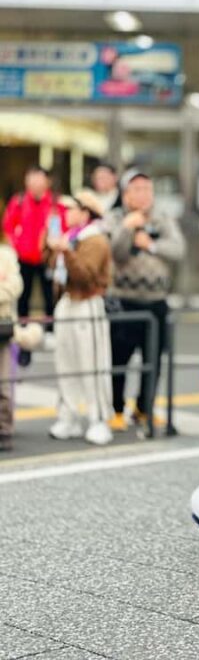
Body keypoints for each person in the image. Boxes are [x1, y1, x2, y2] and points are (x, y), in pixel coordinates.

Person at [103, 169, 186, 431]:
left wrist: (150, 244)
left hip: (156, 301)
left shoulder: (163, 219)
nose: (142, 194)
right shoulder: (115, 218)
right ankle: (116, 408)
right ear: (125, 194)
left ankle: (144, 407)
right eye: (136, 189)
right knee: (119, 359)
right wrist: (128, 228)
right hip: (124, 300)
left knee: (154, 359)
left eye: (147, 189)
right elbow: (115, 253)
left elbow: (178, 250)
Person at [45, 191, 113, 445]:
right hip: (67, 302)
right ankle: (69, 416)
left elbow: (86, 276)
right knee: (65, 362)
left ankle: (98, 419)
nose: (67, 213)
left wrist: (66, 252)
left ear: (86, 213)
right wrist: (53, 246)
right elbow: (52, 268)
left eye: (72, 209)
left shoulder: (95, 240)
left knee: (92, 362)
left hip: (88, 303)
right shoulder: (68, 237)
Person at [2, 165, 66, 322]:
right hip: (23, 258)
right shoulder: (19, 201)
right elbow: (8, 225)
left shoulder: (56, 204)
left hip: (46, 258)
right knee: (22, 296)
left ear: (47, 181)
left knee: (50, 296)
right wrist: (15, 245)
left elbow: (63, 227)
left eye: (39, 178)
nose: (35, 183)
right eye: (31, 179)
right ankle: (23, 331)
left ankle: (51, 330)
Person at [0, 241, 23, 452]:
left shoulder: (6, 254)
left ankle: (4, 430)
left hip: (3, 328)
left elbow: (15, 285)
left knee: (4, 384)